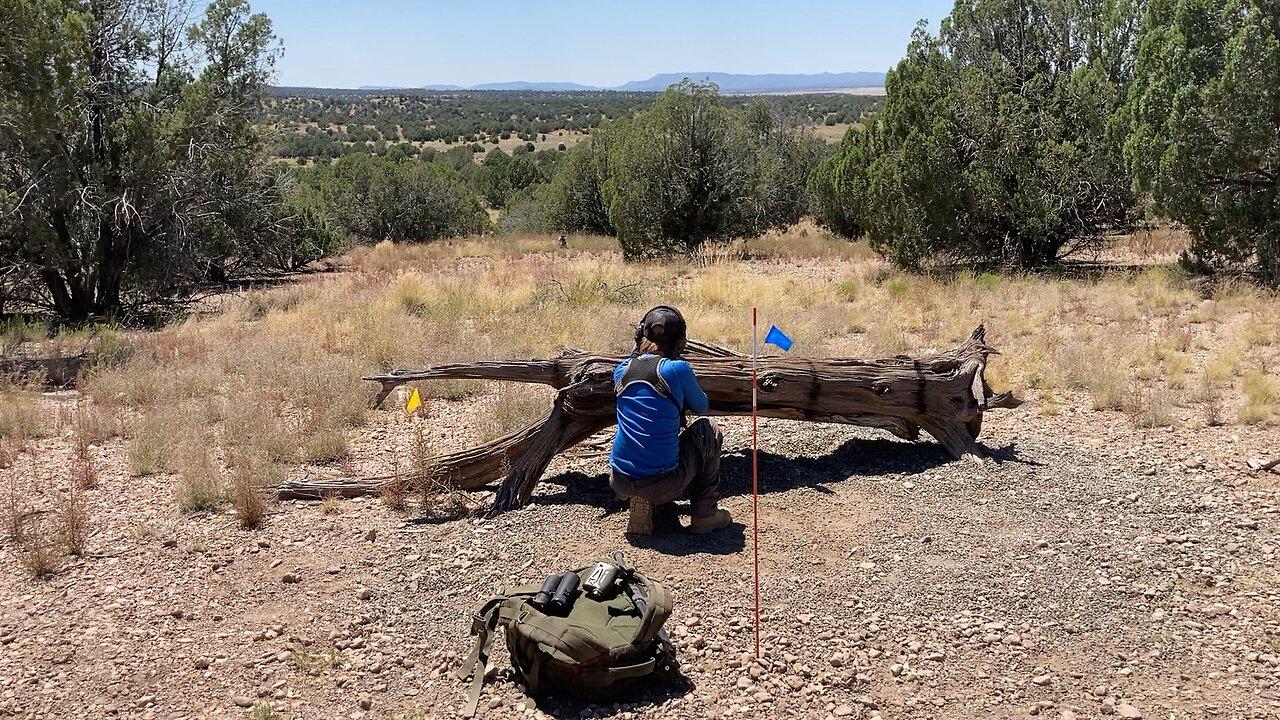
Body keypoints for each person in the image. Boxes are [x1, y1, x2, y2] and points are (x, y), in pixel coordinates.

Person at [609, 306, 732, 535]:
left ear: (640, 335)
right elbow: (702, 406)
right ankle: (705, 514)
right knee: (709, 432)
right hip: (664, 484)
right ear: (681, 343)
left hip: (620, 479)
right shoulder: (677, 369)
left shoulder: (621, 369)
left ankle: (641, 498)